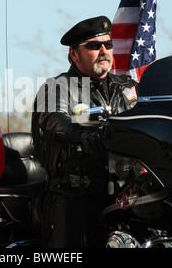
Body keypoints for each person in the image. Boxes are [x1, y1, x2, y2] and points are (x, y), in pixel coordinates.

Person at [31, 15, 139, 247]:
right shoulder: (56, 87)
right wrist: (82, 134)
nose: (104, 50)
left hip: (128, 191)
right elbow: (53, 119)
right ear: (73, 53)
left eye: (108, 44)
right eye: (93, 45)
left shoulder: (129, 88)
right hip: (77, 193)